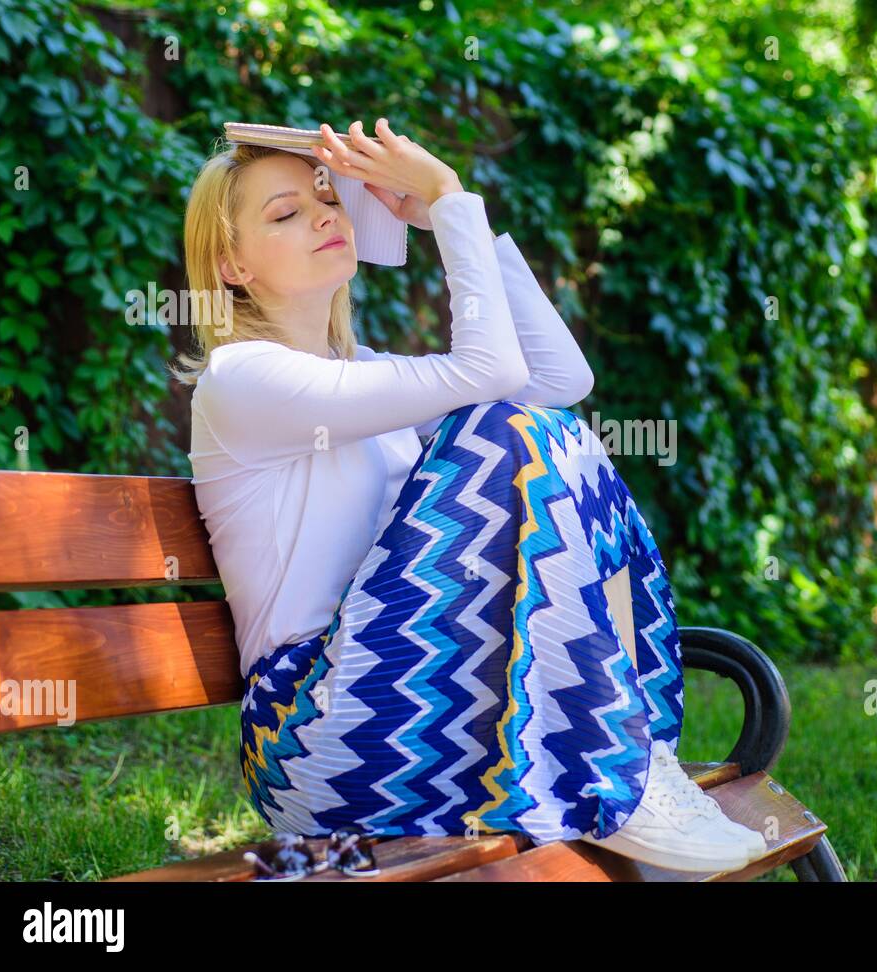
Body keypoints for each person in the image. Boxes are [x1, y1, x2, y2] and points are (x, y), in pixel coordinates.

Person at [171, 118, 766, 872]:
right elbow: (491, 384)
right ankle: (623, 770)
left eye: (329, 197)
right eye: (285, 213)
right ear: (231, 264)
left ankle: (635, 763)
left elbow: (560, 384)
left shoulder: (364, 376)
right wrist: (449, 198)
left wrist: (435, 216)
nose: (324, 214)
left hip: (402, 697)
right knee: (506, 431)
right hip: (316, 734)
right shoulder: (244, 380)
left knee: (549, 432)